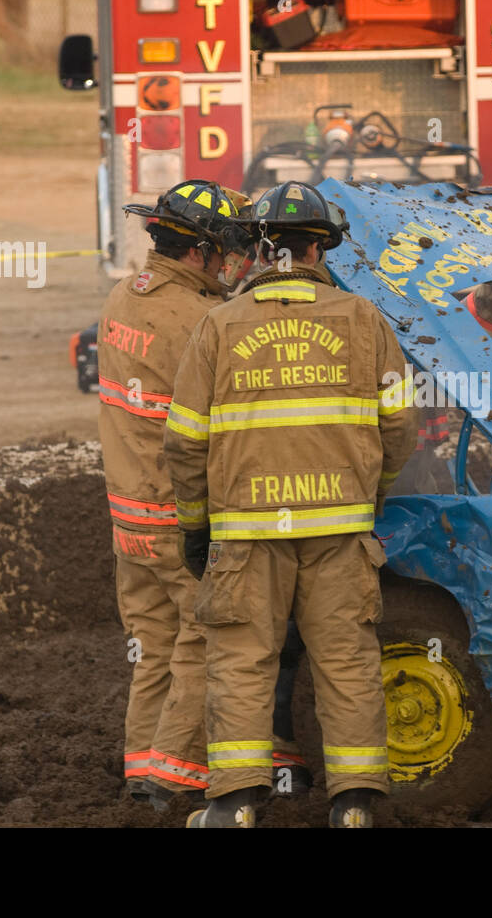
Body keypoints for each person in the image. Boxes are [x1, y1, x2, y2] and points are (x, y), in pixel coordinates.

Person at [164, 181, 419, 828]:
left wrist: (197, 528)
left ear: (260, 246)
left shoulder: (218, 326)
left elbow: (185, 442)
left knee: (241, 657)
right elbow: (400, 430)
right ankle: (356, 805)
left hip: (247, 532)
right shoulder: (363, 320)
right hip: (340, 530)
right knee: (346, 659)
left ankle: (234, 807)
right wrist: (370, 494)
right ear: (319, 248)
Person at [101, 180, 308, 812]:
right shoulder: (200, 321)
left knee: (153, 646)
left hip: (128, 519)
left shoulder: (124, 298)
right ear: (200, 252)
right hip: (175, 516)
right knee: (207, 642)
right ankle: (175, 779)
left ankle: (142, 765)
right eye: (229, 251)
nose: (235, 262)